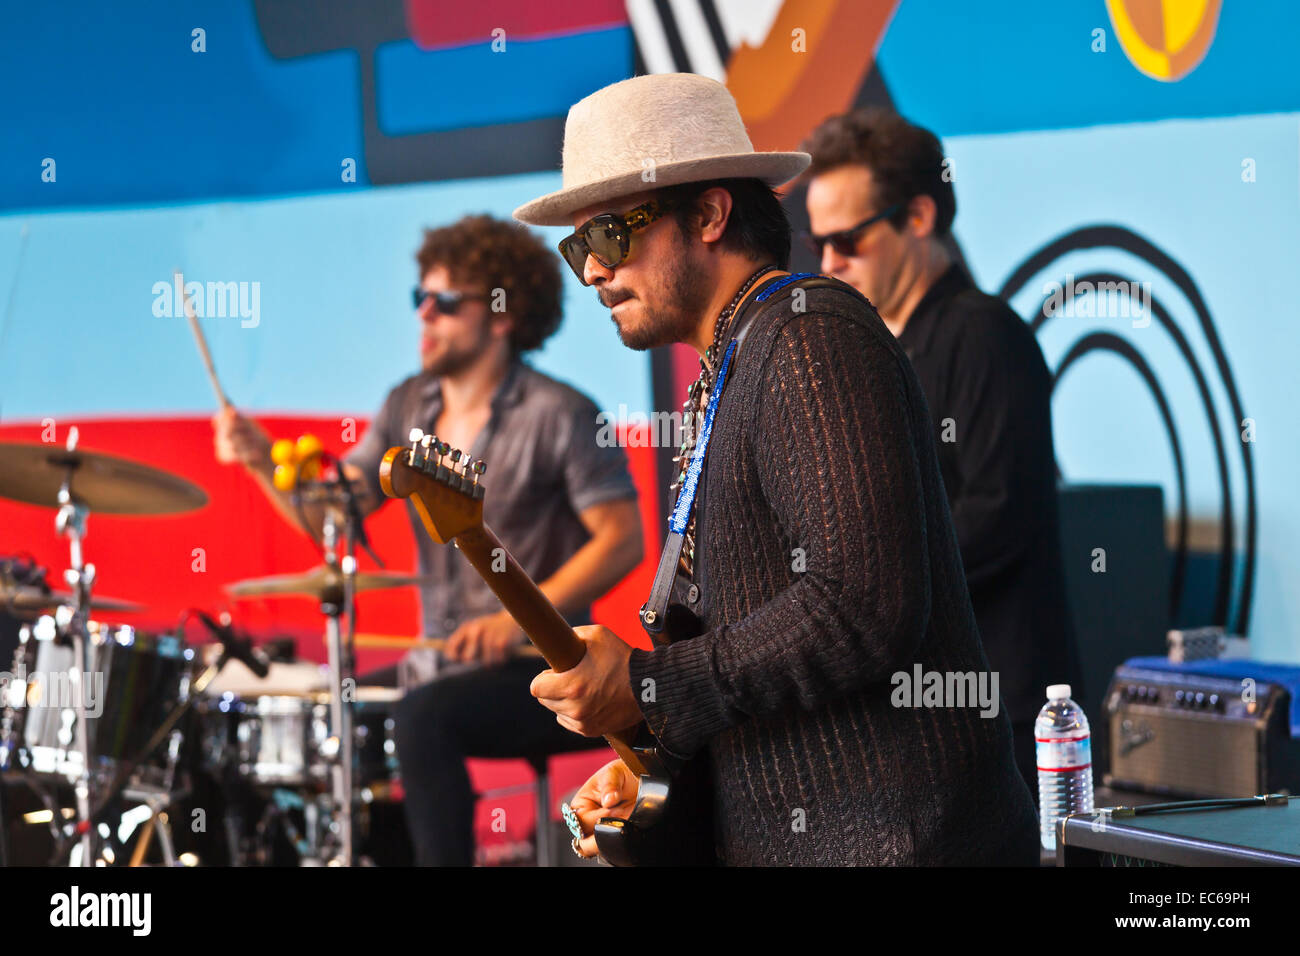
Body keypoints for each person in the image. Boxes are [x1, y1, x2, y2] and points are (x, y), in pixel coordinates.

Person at [515, 73, 1038, 865]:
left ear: (711, 213)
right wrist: (654, 770)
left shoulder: (806, 338)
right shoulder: (731, 366)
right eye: (578, 246)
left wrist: (652, 686)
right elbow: (753, 646)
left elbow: (860, 607)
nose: (592, 271)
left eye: (612, 236)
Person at [212, 214, 643, 865]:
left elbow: (623, 540)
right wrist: (258, 459)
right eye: (421, 299)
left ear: (502, 314)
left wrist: (514, 624)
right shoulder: (406, 407)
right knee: (341, 717)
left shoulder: (562, 413)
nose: (425, 317)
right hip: (435, 665)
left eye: (444, 303)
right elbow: (334, 513)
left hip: (542, 673)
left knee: (421, 718)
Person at [800, 108, 1080, 793]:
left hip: (997, 702)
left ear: (918, 217)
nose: (830, 263)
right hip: (916, 695)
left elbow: (999, 511)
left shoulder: (984, 335)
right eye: (819, 245)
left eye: (849, 240)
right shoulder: (877, 346)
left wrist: (863, 585)